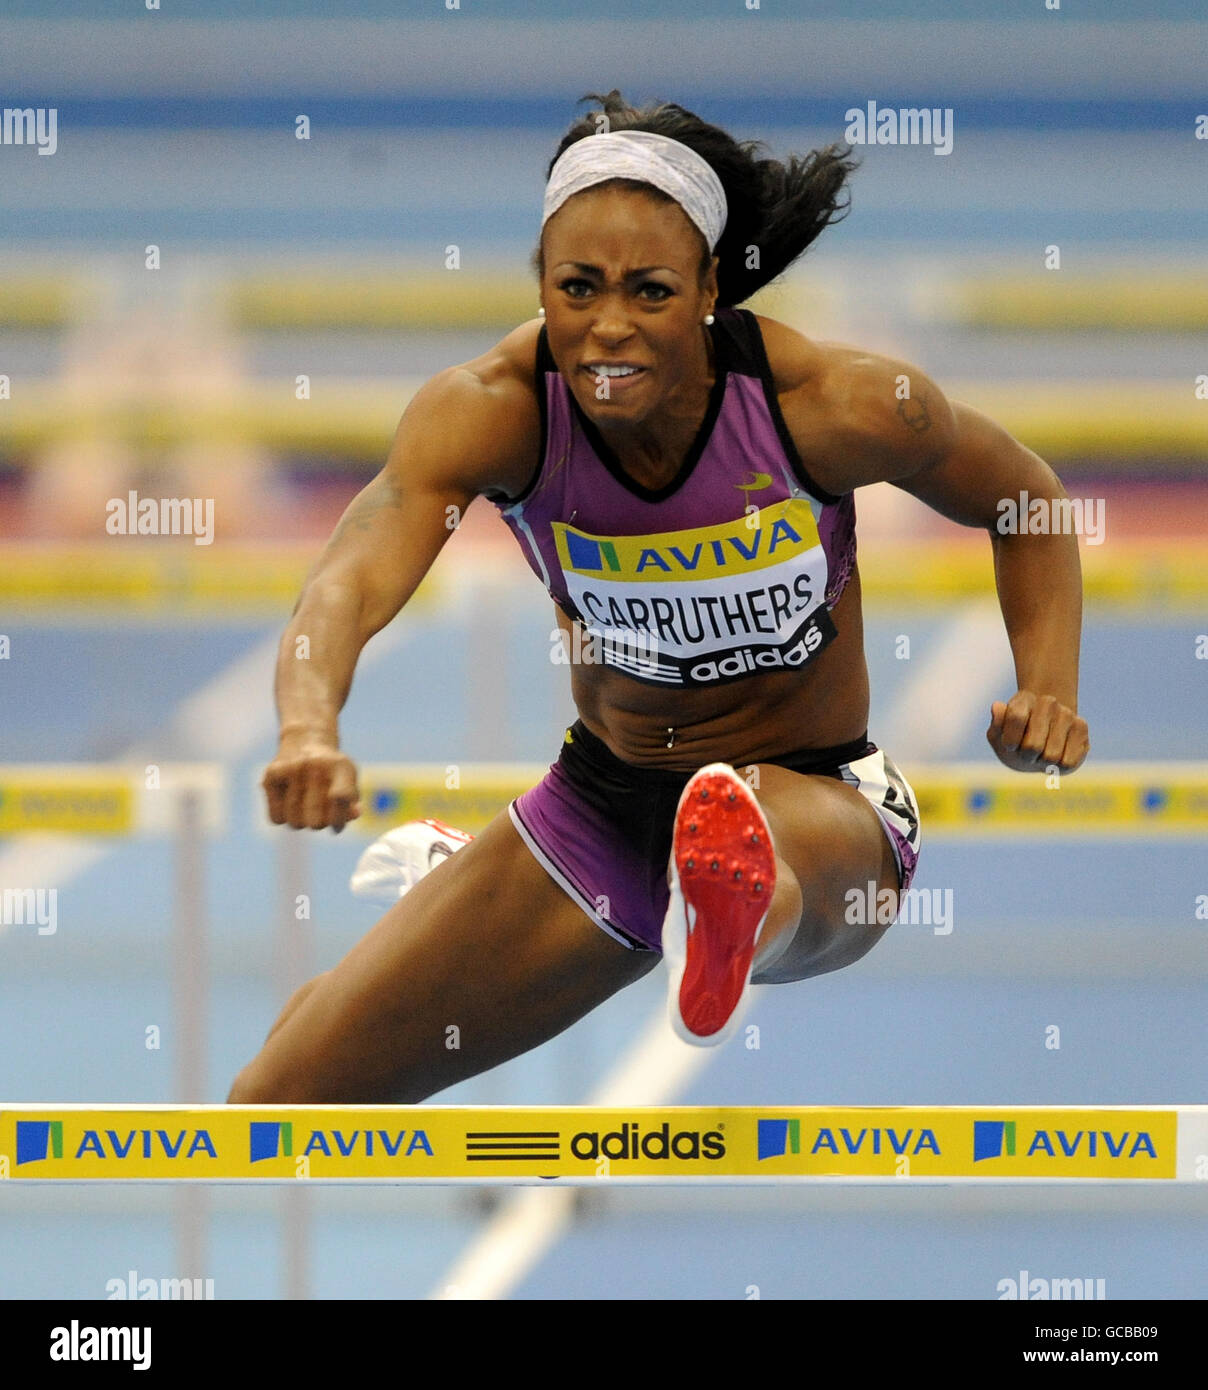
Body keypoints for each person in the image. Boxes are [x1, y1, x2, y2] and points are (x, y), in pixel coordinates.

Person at [228, 91, 1088, 1105]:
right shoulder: (491, 412)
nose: (606, 331)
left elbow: (1022, 496)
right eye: (577, 289)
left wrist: (1047, 685)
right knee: (277, 1105)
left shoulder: (832, 406)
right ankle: (598, 886)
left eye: (648, 292)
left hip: (819, 801)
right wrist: (304, 728)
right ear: (539, 285)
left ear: (709, 288)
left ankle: (722, 903)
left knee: (742, 837)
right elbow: (346, 579)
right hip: (605, 803)